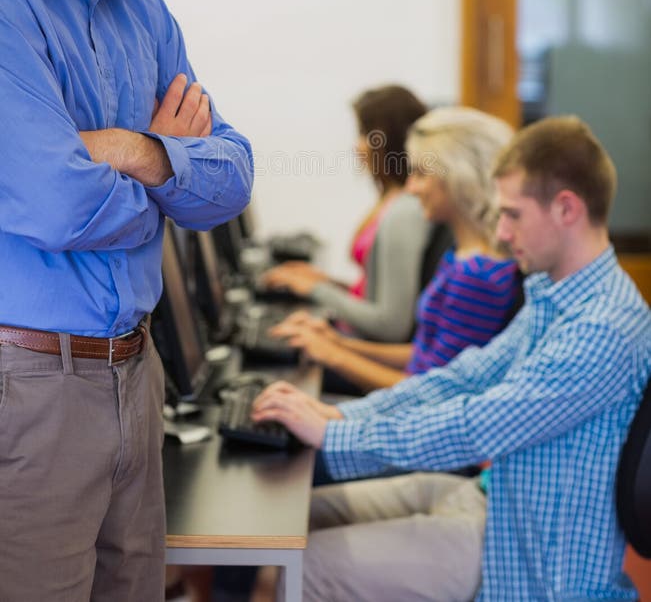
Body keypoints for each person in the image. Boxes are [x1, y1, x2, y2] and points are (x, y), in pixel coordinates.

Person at [0, 0, 253, 602]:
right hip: (28, 389)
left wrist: (137, 150)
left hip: (133, 378)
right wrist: (168, 183)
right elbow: (55, 201)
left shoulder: (141, 7)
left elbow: (232, 180)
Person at [252, 116, 651, 601]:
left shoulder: (602, 329)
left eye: (513, 214)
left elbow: (476, 425)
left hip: (531, 561)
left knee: (307, 564)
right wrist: (341, 414)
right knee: (297, 523)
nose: (501, 232)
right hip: (494, 500)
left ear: (566, 208)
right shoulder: (556, 295)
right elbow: (464, 377)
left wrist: (338, 435)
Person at [270, 107, 520, 393]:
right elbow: (425, 355)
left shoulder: (477, 275)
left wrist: (334, 355)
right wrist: (339, 342)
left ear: (458, 179)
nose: (411, 188)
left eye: (421, 174)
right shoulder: (460, 254)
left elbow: (430, 390)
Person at [263, 84, 436, 342]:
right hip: (354, 339)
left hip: (366, 351)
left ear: (388, 139)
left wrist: (317, 289)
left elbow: (390, 325)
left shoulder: (405, 213)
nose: (358, 146)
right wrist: (327, 282)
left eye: (365, 134)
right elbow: (373, 295)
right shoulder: (391, 199)